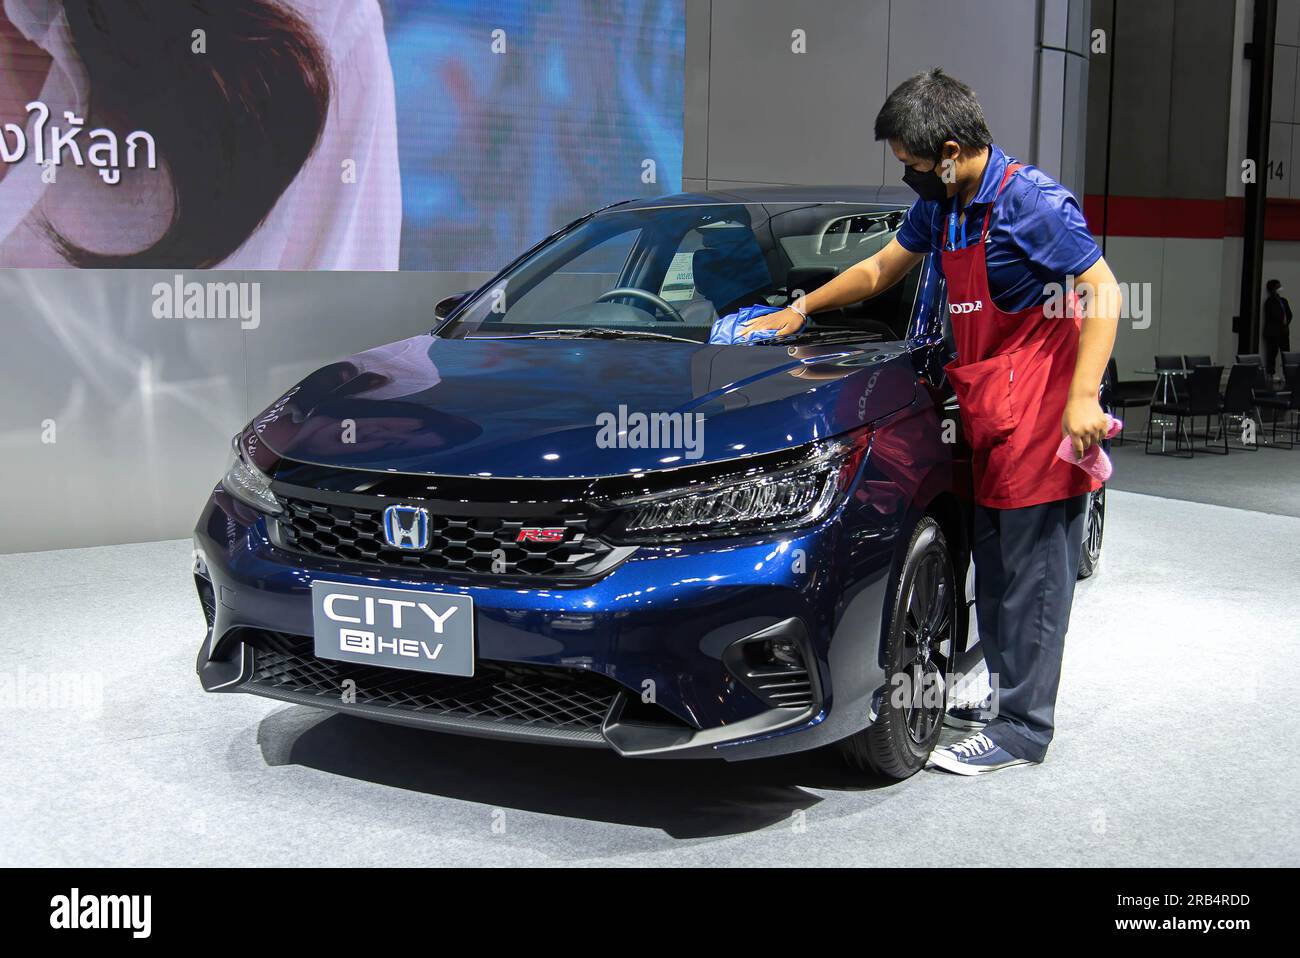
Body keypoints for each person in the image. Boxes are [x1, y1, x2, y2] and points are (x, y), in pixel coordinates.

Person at [742, 68, 1121, 774]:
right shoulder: (946, 207)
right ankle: (1008, 698)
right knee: (1000, 573)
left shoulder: (1030, 204)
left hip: (1044, 419)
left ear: (949, 150)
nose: (910, 177)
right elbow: (882, 269)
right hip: (989, 413)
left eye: (912, 165)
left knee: (1034, 578)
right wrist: (802, 308)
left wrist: (1084, 396)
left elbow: (1102, 290)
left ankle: (1022, 732)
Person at [1263, 279, 1292, 380]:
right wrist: (1281, 321)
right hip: (1273, 333)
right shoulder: (1269, 302)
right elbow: (1274, 315)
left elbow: (1289, 314)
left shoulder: (1284, 301)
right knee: (1272, 354)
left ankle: (1287, 374)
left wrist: (1286, 322)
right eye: (1278, 287)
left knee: (1286, 354)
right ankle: (1270, 375)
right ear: (1272, 289)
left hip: (1284, 332)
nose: (1280, 288)